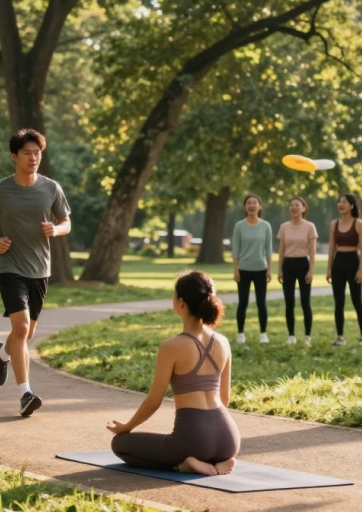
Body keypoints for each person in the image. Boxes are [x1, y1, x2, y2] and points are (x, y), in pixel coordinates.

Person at [0, 129, 71, 417]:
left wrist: (56, 230)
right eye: (27, 153)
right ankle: (25, 394)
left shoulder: (51, 188)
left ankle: (2, 353)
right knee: (20, 328)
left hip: (40, 269)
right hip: (10, 267)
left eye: (37, 153)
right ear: (14, 157)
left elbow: (66, 221)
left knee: (26, 333)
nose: (33, 158)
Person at [108, 271, 239, 476]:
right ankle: (219, 459)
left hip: (192, 440)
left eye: (174, 294)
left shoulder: (171, 346)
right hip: (228, 438)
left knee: (120, 444)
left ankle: (184, 465)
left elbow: (154, 401)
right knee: (198, 445)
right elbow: (225, 398)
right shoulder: (223, 342)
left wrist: (127, 426)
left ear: (181, 303)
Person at [325, 194, 362, 347]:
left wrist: (360, 270)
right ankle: (340, 337)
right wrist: (329, 268)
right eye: (339, 202)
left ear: (352, 206)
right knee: (339, 302)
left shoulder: (359, 223)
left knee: (357, 301)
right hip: (338, 263)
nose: (341, 205)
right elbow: (331, 247)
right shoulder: (334, 224)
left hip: (353, 262)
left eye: (344, 202)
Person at [231, 194, 272, 344]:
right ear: (245, 207)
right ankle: (241, 334)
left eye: (255, 203)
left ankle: (263, 334)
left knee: (261, 303)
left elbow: (269, 249)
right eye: (249, 203)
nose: (252, 205)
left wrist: (269, 269)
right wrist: (236, 270)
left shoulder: (266, 226)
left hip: (261, 269)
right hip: (244, 269)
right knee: (243, 303)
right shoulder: (239, 226)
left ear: (260, 206)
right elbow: (236, 249)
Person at [277, 197, 317, 345]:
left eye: (297, 205)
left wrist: (311, 270)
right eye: (291, 205)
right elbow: (281, 250)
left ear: (303, 208)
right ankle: (291, 335)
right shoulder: (284, 227)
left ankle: (307, 336)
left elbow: (312, 251)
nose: (294, 208)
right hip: (288, 264)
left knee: (305, 302)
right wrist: (279, 269)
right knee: (289, 302)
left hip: (303, 264)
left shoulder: (310, 227)